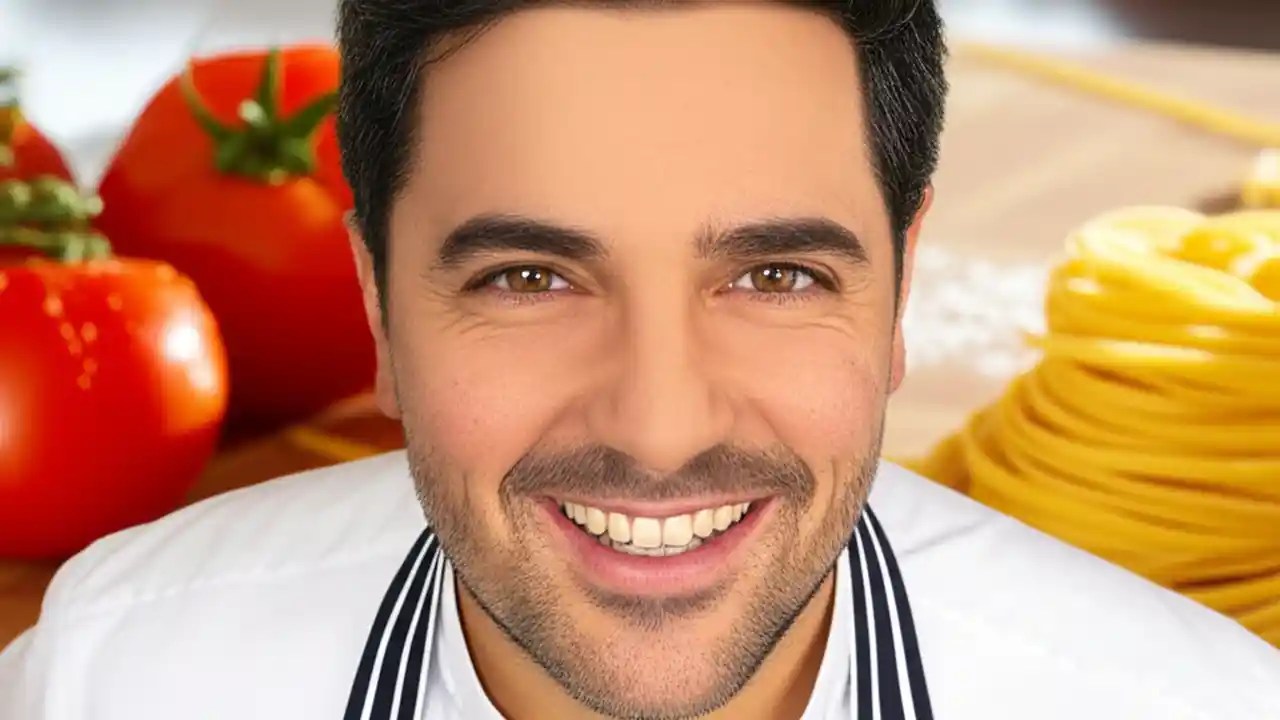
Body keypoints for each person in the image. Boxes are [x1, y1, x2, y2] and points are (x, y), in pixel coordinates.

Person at [3, 1, 1279, 718]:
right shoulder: (118, 678)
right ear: (376, 308)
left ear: (899, 294)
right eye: (529, 279)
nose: (659, 429)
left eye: (774, 277)